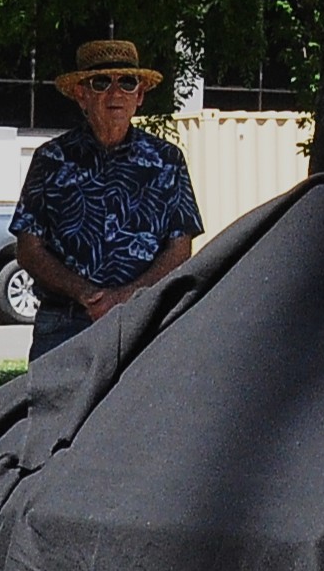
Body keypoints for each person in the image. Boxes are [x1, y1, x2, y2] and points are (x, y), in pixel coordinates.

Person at [11, 40, 204, 361]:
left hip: (144, 322)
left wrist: (128, 296)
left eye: (127, 83)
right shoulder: (51, 159)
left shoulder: (167, 161)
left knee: (141, 412)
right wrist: (86, 294)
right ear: (81, 94)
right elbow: (28, 249)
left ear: (140, 95)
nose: (116, 93)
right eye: (101, 82)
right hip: (64, 322)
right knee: (56, 412)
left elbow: (180, 247)